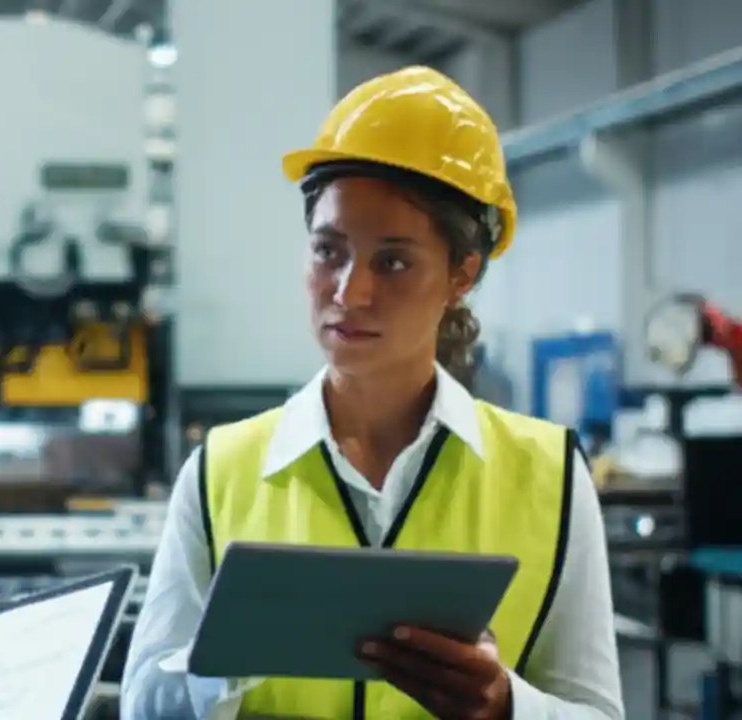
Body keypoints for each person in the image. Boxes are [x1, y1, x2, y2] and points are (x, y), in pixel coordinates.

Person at [121, 66, 625, 720]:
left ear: (460, 275)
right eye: (329, 251)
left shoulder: (550, 474)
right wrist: (219, 667)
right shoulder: (219, 472)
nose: (349, 292)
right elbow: (141, 706)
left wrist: (508, 707)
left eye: (392, 261)